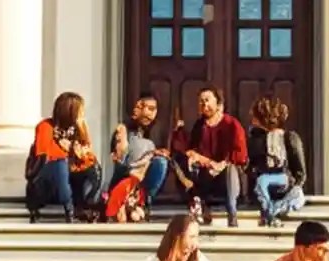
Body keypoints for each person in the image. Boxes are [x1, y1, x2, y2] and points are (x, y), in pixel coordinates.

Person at [171, 86, 247, 228]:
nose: (204, 105)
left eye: (207, 101)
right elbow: (191, 149)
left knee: (230, 171)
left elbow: (240, 155)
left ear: (218, 104)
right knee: (180, 163)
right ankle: (199, 207)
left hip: (226, 176)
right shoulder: (200, 126)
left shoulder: (232, 124)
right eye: (201, 102)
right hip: (206, 175)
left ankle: (232, 214)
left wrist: (221, 165)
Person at [26, 92, 101, 223]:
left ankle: (84, 205)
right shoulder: (46, 126)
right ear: (69, 112)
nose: (82, 115)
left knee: (94, 166)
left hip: (69, 183)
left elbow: (88, 158)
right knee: (60, 164)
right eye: (80, 111)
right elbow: (42, 158)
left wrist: (78, 143)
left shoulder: (78, 130)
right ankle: (69, 210)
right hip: (47, 183)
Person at [247, 94, 307, 228]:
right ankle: (270, 211)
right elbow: (250, 167)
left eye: (255, 118)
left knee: (298, 196)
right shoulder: (255, 140)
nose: (252, 122)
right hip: (264, 183)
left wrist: (294, 184)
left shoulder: (289, 138)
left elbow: (300, 171)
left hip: (284, 180)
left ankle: (271, 213)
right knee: (262, 181)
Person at [110, 93, 171, 213]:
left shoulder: (159, 129)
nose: (148, 113)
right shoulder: (124, 128)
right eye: (145, 108)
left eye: (153, 109)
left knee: (162, 162)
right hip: (127, 174)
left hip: (146, 173)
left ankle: (145, 200)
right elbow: (119, 157)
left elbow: (166, 152)